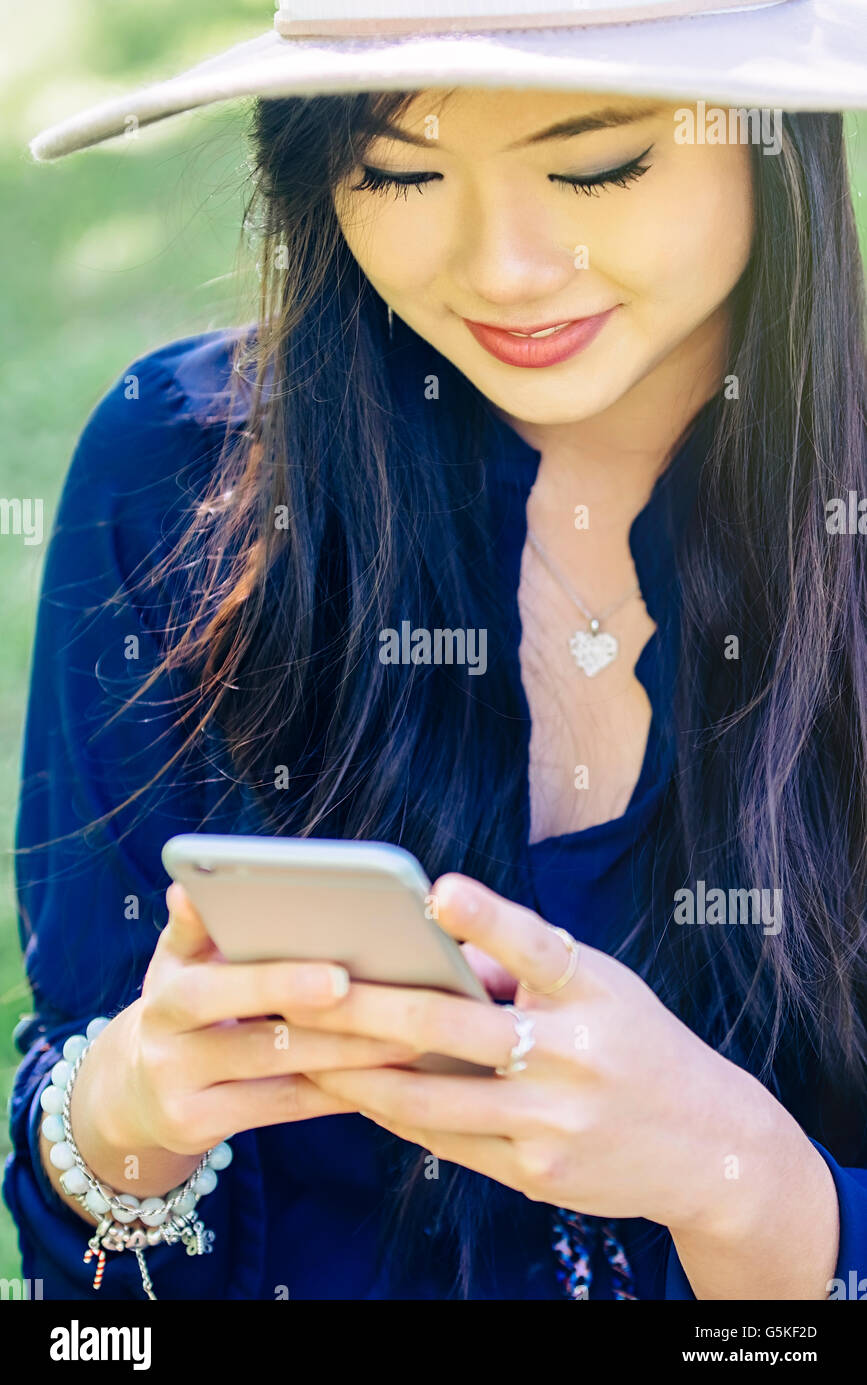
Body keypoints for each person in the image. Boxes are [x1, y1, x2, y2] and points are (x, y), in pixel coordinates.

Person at [5, 0, 867, 1300]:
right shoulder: (181, 477)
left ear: (770, 138)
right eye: (398, 170)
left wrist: (742, 1177)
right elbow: (96, 1290)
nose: (504, 268)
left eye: (596, 165)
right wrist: (124, 1119)